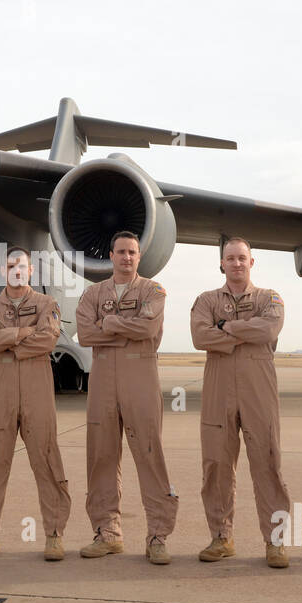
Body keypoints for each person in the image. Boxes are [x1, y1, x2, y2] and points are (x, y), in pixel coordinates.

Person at [76, 231, 178, 565]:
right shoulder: (93, 293)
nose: (127, 257)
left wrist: (109, 324)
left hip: (140, 377)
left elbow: (148, 330)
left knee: (150, 454)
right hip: (103, 379)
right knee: (101, 457)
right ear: (111, 255)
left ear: (139, 255)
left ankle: (158, 536)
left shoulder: (154, 290)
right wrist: (126, 329)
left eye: (132, 252)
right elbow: (86, 334)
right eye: (121, 252)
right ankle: (107, 534)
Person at [0, 246, 71, 562]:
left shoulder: (46, 304)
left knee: (47, 458)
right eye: (10, 265)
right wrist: (25, 333)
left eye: (21, 266)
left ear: (31, 271)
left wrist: (8, 342)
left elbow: (48, 339)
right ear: (2, 271)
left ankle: (54, 535)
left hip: (37, 383)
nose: (16, 271)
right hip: (0, 385)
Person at [189, 237, 292, 567]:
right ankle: (221, 537)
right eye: (229, 258)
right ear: (222, 263)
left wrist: (227, 328)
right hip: (219, 385)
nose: (236, 263)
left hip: (257, 385)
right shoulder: (205, 300)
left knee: (267, 461)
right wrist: (243, 333)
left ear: (252, 262)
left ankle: (275, 541)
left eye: (241, 258)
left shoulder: (269, 298)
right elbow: (200, 337)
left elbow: (269, 329)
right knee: (217, 464)